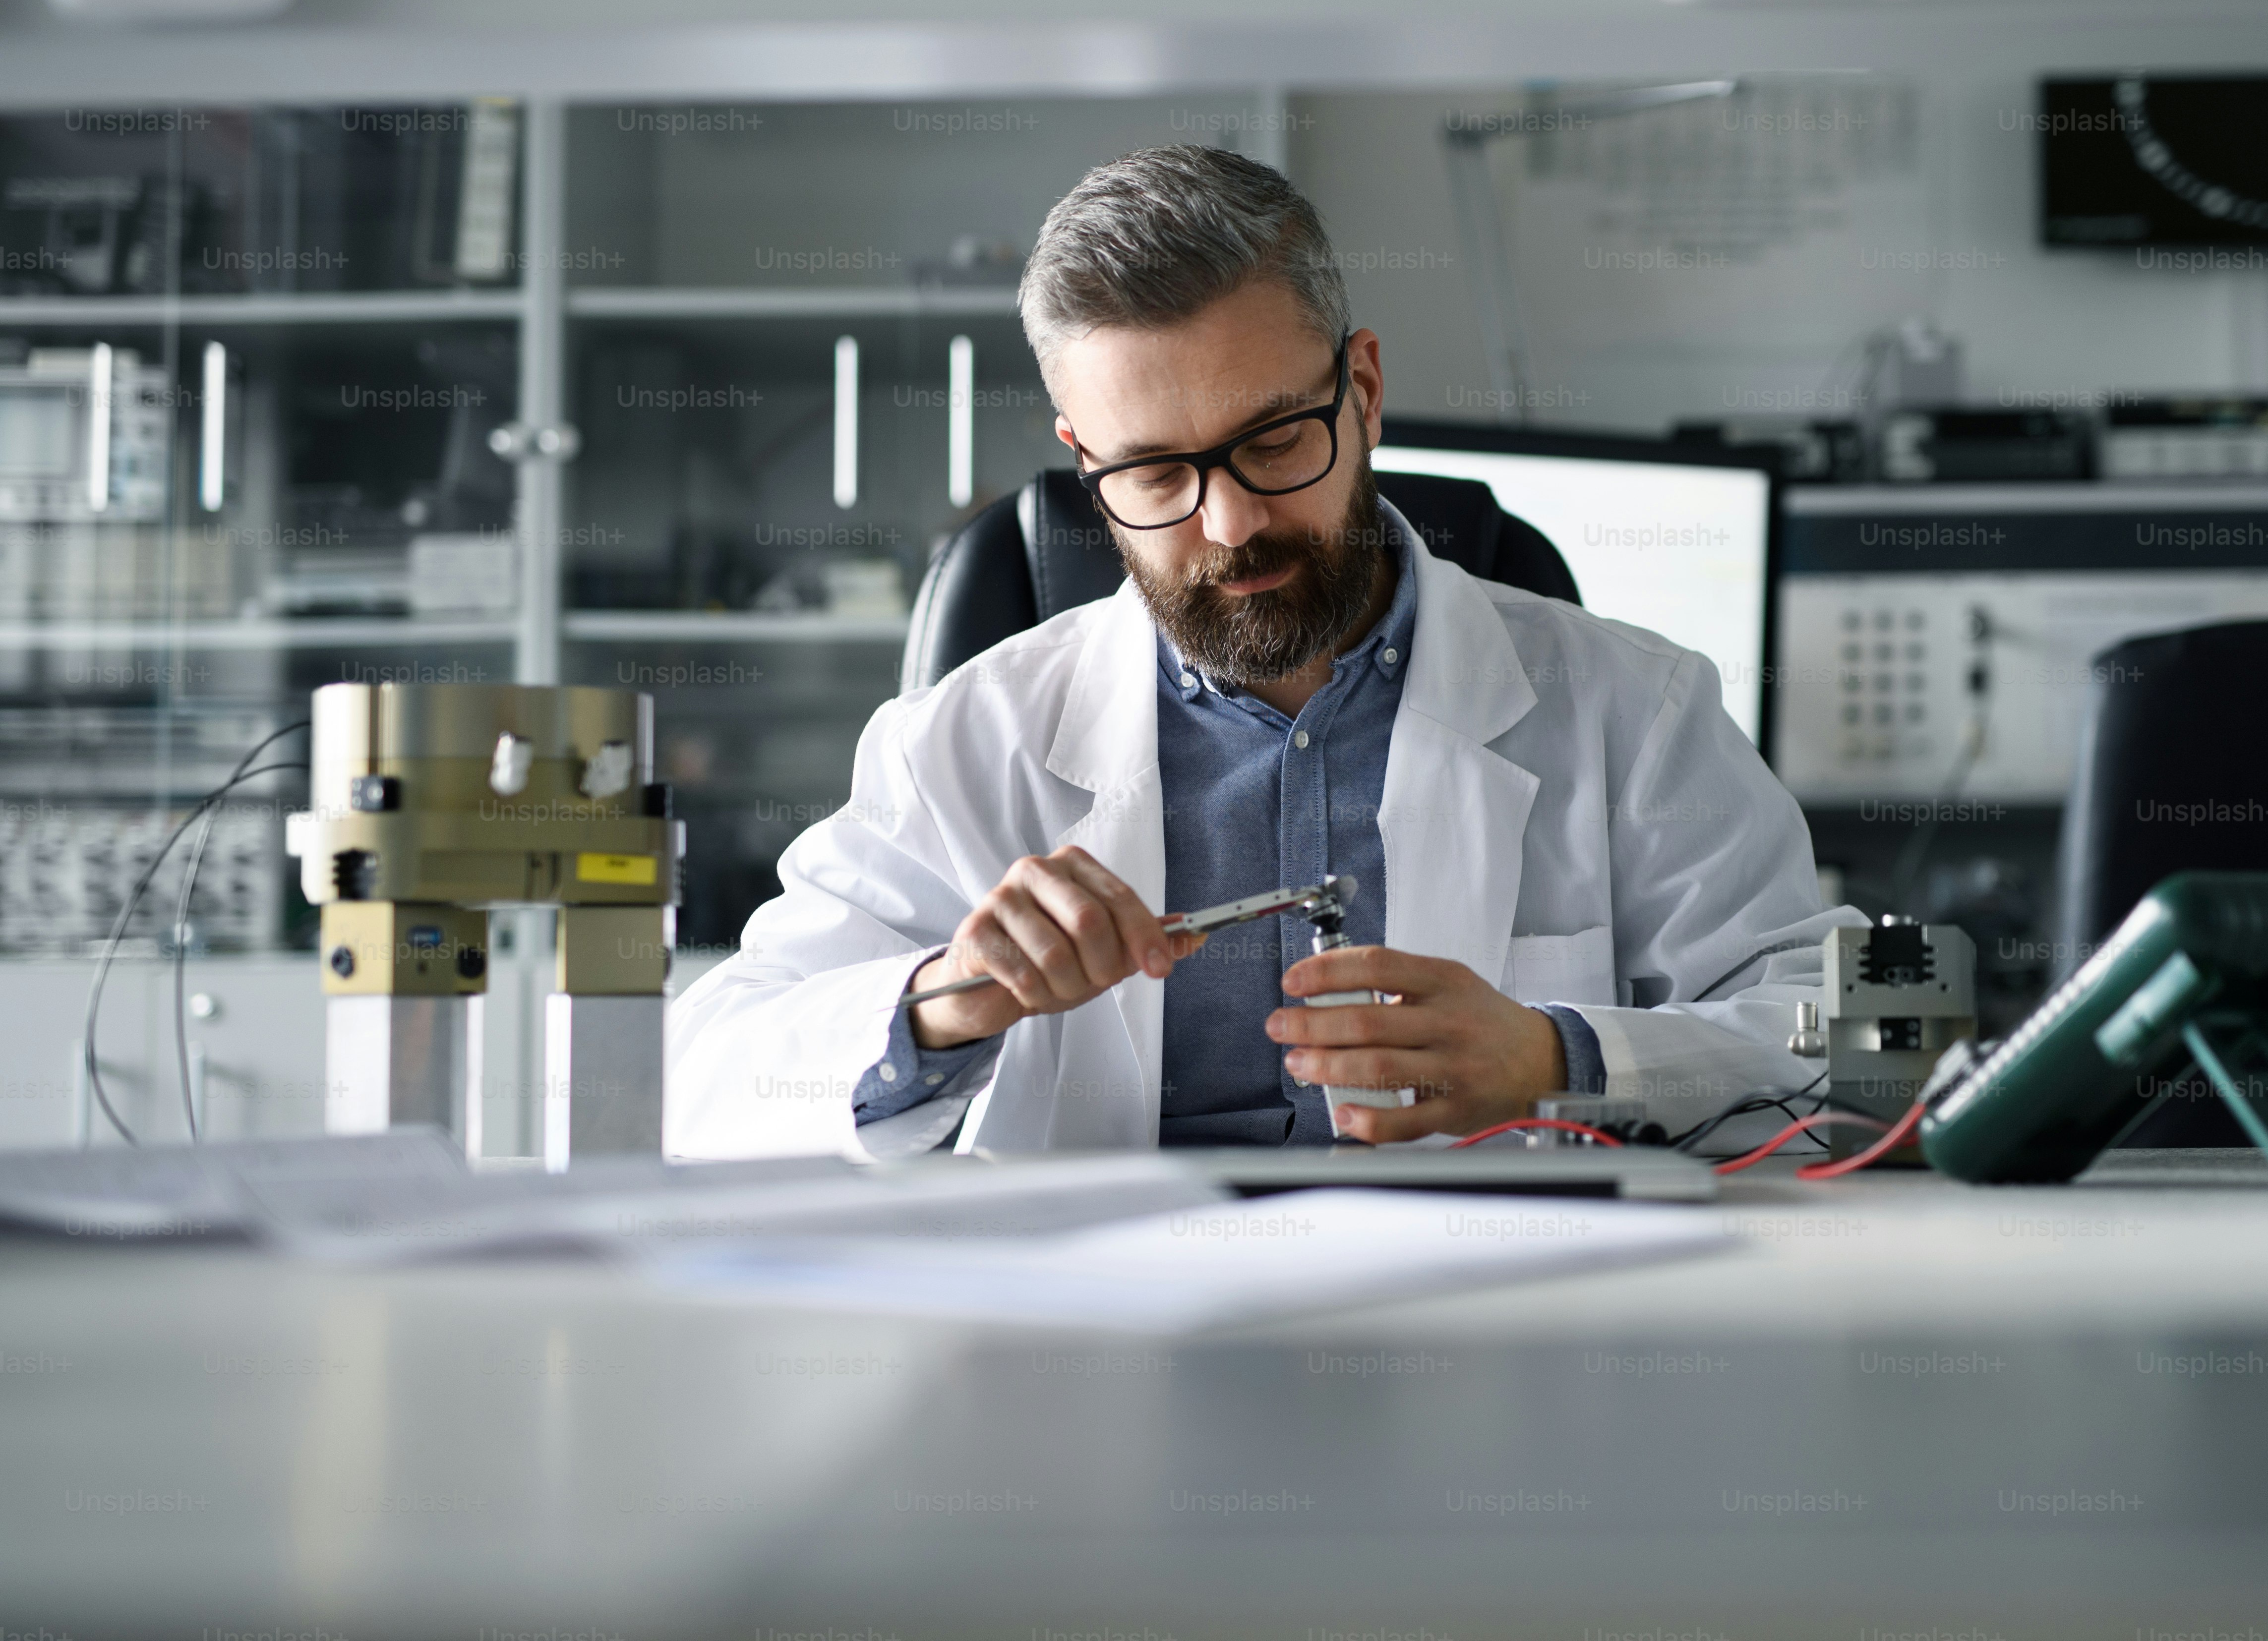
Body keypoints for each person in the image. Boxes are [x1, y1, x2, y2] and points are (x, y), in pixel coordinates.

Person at [669, 145, 1853, 1159]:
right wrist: (931, 1007)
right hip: (1100, 1371)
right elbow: (705, 1076)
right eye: (1153, 474)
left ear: (1366, 391)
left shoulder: (1630, 708)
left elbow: (1853, 1046)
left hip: (1486, 1346)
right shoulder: (963, 746)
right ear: (1088, 464)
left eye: (1275, 438)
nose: (1230, 524)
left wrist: (1565, 1054)